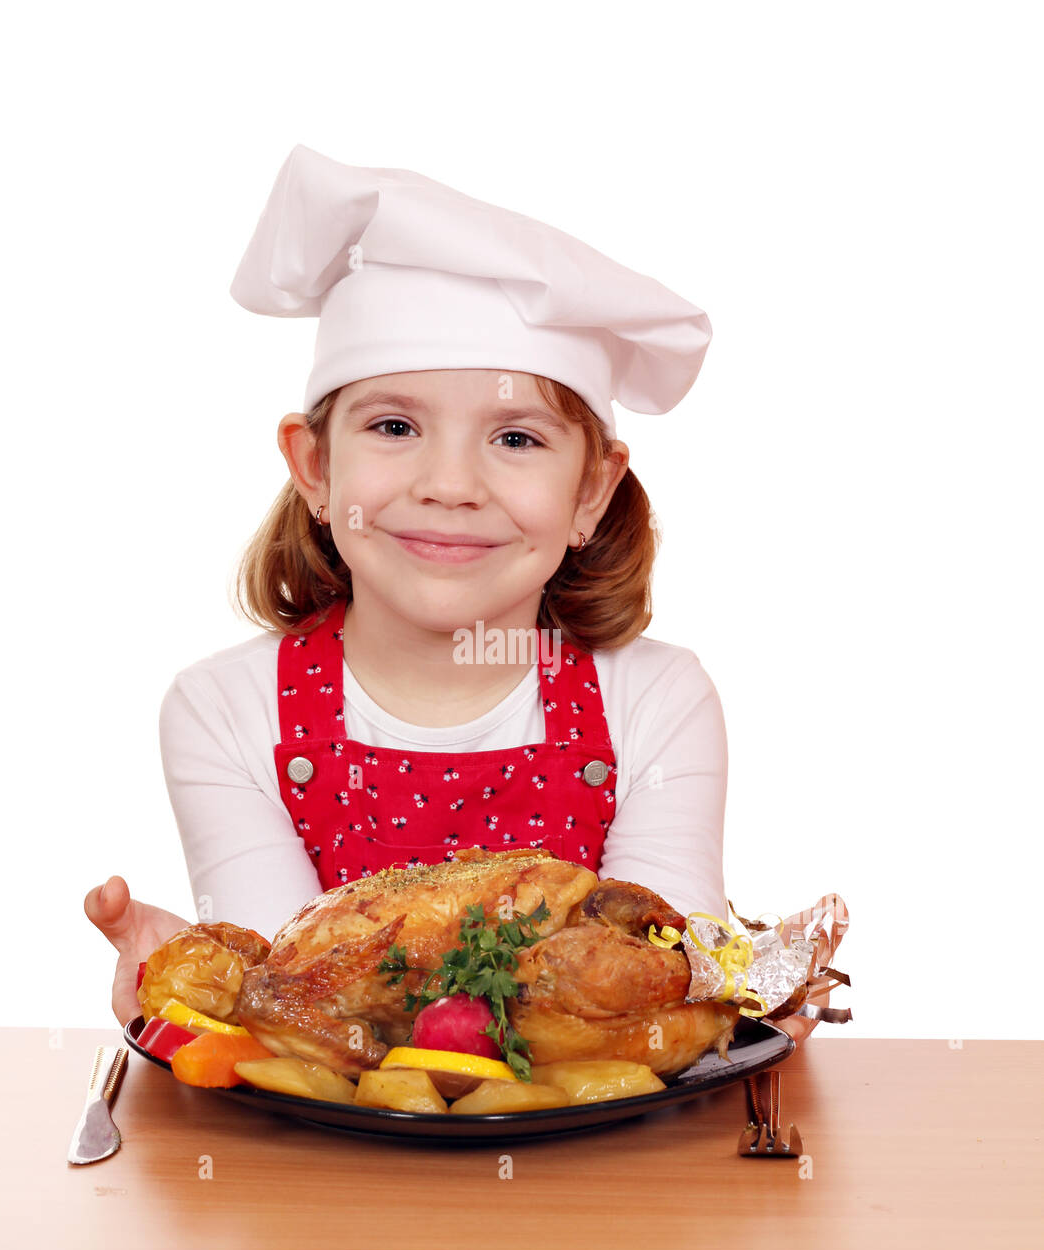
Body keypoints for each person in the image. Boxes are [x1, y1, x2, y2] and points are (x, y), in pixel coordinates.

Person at [85, 144, 730, 1028]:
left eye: (516, 439)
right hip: (321, 1167)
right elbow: (293, 1000)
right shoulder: (225, 708)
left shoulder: (653, 698)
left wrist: (738, 980)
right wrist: (208, 983)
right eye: (394, 425)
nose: (450, 485)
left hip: (600, 1162)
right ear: (313, 467)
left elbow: (659, 973)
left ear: (591, 490)